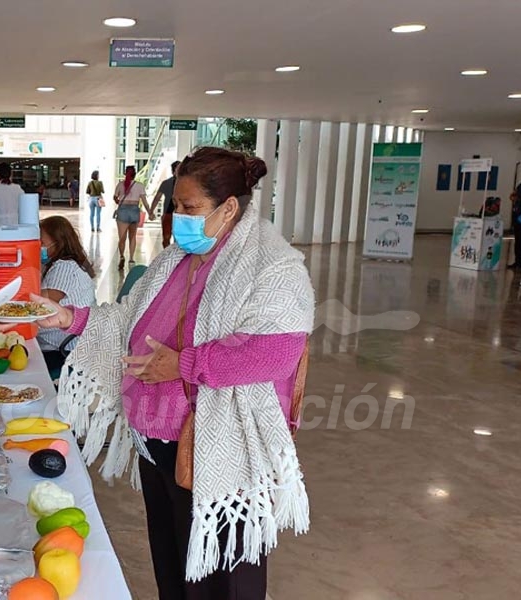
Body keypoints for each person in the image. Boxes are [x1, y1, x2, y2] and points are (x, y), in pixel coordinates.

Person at [29, 147, 314, 599]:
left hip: (218, 448)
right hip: (158, 444)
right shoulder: (174, 260)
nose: (177, 217)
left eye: (189, 207)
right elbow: (129, 321)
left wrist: (183, 364)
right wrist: (70, 319)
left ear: (230, 208)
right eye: (175, 206)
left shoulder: (272, 269)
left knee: (224, 577)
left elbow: (274, 352)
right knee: (173, 565)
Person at [38, 216, 97, 373]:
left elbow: (40, 303)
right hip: (62, 342)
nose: (39, 247)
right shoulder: (63, 264)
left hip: (63, 349)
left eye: (42, 243)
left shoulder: (65, 267)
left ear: (58, 243)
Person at [114, 165, 150, 268]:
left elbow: (115, 197)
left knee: (122, 238)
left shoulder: (120, 184)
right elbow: (144, 202)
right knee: (132, 236)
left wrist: (118, 201)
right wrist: (150, 212)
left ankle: (121, 257)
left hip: (123, 210)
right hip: (134, 210)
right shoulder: (140, 185)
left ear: (125, 174)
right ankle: (131, 259)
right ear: (135, 174)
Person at [151, 161, 181, 248]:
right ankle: (177, 257)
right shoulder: (186, 184)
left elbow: (157, 198)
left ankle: (167, 256)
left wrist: (151, 211)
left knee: (166, 238)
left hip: (168, 212)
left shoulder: (166, 183)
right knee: (180, 238)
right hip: (181, 214)